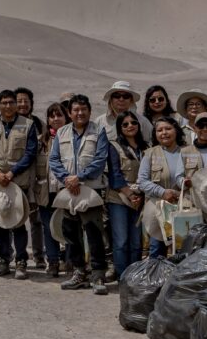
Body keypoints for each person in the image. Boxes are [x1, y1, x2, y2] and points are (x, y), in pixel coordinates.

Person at [50, 94, 110, 291]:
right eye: (75, 110)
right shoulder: (61, 133)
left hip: (90, 189)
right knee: (70, 232)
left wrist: (80, 177)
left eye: (83, 109)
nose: (80, 113)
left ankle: (98, 274)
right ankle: (79, 273)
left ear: (89, 111)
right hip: (68, 190)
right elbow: (54, 160)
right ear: (70, 112)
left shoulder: (98, 130)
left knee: (93, 231)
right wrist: (67, 178)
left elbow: (100, 159)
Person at [0, 89, 38, 279]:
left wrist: (12, 173)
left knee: (19, 222)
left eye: (11, 102)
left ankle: (21, 262)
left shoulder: (28, 125)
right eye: (4, 102)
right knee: (1, 221)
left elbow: (30, 153)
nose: (8, 106)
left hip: (17, 182)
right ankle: (3, 260)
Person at [137, 116, 198, 258]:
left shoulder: (189, 152)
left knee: (184, 248)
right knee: (157, 248)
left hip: (184, 207)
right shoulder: (150, 153)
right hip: (158, 209)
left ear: (176, 131)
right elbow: (142, 181)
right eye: (159, 130)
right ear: (155, 134)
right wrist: (162, 192)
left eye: (168, 128)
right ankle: (156, 278)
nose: (164, 132)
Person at [104, 110, 145, 276]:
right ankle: (122, 277)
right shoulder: (113, 146)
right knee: (121, 241)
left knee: (136, 241)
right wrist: (130, 195)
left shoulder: (146, 147)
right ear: (120, 128)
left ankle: (134, 277)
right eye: (125, 124)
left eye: (133, 123)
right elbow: (114, 174)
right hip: (119, 199)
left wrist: (140, 196)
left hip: (140, 199)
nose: (130, 126)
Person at [15, 87, 48, 268]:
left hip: (36, 176)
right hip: (17, 177)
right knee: (16, 217)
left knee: (37, 219)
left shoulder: (38, 123)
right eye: (19, 101)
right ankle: (19, 256)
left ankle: (38, 255)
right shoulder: (10, 123)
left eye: (25, 101)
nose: (22, 104)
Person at [38, 101, 69, 276]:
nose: (56, 118)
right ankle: (53, 262)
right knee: (48, 228)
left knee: (69, 227)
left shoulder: (72, 138)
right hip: (46, 191)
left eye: (59, 115)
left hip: (66, 191)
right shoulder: (41, 141)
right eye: (52, 115)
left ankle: (71, 261)